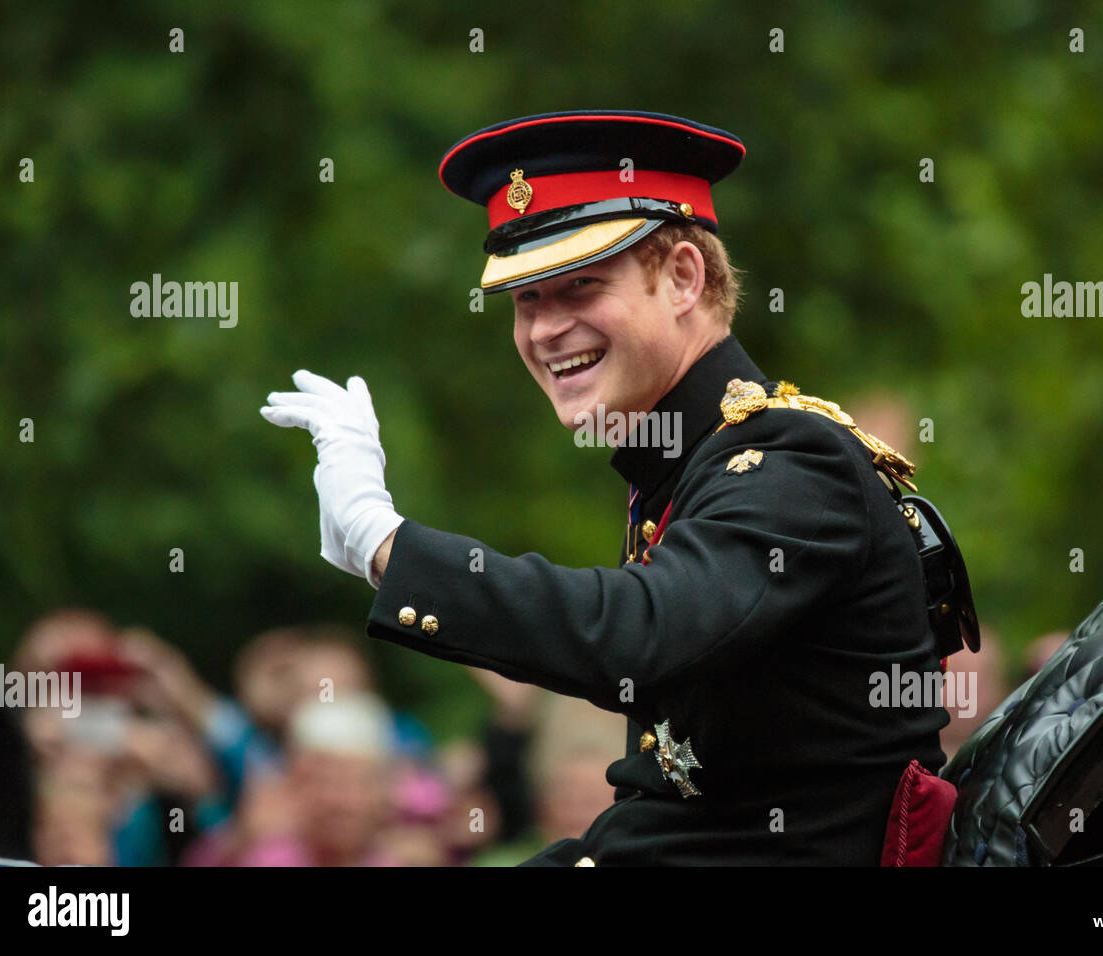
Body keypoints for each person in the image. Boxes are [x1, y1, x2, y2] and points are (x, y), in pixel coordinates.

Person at [261, 110, 954, 865]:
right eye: (527, 299)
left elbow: (638, 633)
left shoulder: (792, 461)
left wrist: (385, 543)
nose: (546, 329)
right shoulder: (688, 467)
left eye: (580, 287)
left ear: (684, 278)